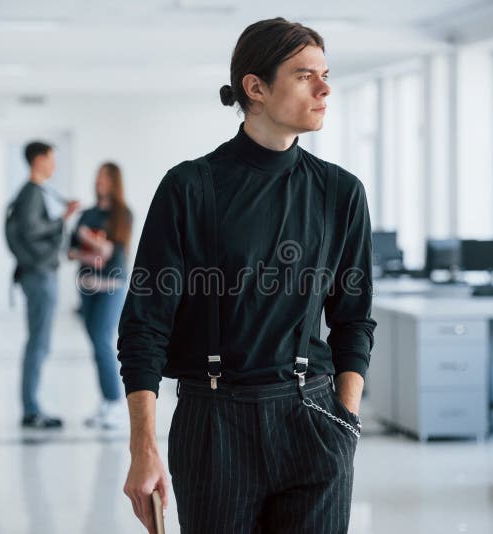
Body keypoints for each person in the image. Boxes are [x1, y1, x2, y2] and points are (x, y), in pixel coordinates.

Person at [118, 18, 376, 534]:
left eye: (325, 74)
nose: (324, 88)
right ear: (254, 88)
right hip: (213, 423)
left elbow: (354, 320)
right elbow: (144, 326)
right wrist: (143, 448)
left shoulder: (340, 193)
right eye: (305, 76)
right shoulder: (189, 188)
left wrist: (345, 421)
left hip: (313, 418)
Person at [9, 141, 79, 429]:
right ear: (38, 160)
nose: (54, 166)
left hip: (35, 274)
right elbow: (32, 229)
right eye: (51, 159)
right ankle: (31, 409)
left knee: (38, 342)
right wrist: (63, 218)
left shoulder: (33, 193)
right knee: (38, 343)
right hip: (38, 276)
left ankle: (31, 406)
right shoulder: (32, 193)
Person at [69, 162, 133, 429]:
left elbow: (114, 253)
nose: (99, 182)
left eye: (104, 178)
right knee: (96, 342)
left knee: (102, 339)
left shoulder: (123, 214)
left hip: (111, 286)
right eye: (97, 178)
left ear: (114, 182)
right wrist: (90, 251)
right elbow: (71, 251)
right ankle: (106, 402)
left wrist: (90, 240)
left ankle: (116, 403)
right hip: (86, 284)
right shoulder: (86, 214)